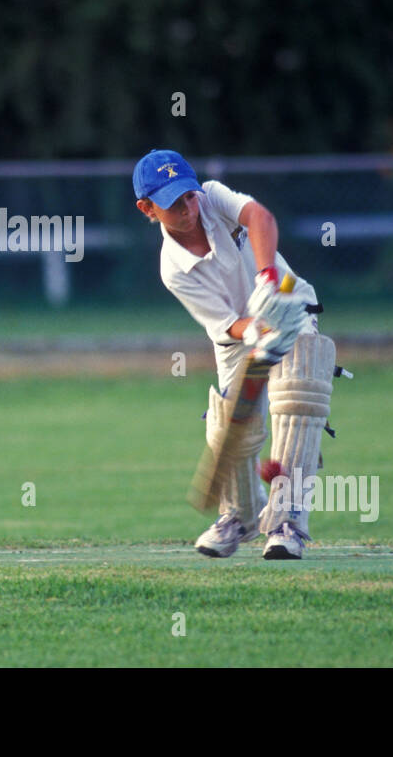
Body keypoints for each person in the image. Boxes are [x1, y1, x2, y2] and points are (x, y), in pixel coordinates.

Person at [133, 148, 333, 560]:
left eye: (187, 196)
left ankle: (287, 525)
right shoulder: (171, 269)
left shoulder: (211, 196)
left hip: (289, 304)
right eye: (173, 203)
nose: (188, 208)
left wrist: (267, 279)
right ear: (147, 208)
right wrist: (258, 329)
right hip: (236, 339)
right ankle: (240, 516)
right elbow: (227, 324)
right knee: (229, 426)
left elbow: (260, 218)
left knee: (297, 398)